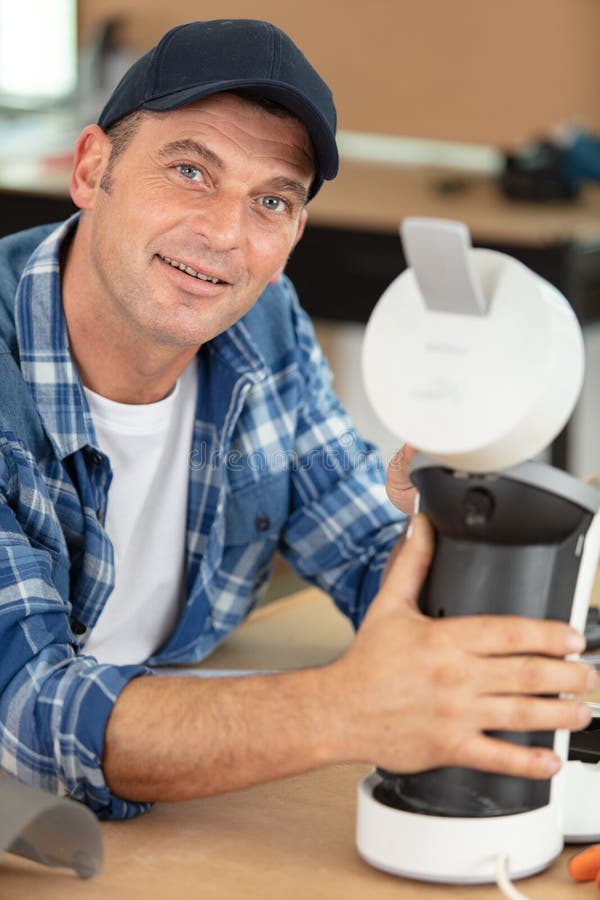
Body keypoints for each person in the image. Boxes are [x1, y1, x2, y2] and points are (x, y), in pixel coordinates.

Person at [0, 19, 594, 820]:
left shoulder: (263, 324)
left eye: (271, 200)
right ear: (90, 168)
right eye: (189, 171)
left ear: (292, 235)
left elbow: (364, 549)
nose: (224, 234)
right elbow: (30, 716)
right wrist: (342, 709)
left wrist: (447, 517)